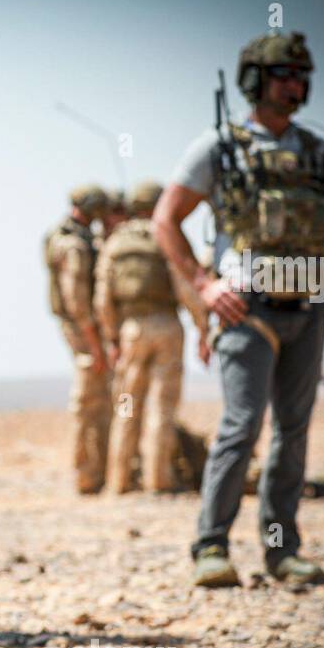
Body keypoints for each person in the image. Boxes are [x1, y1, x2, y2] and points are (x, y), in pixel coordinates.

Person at [153, 31, 324, 588]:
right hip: (246, 310)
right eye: (282, 73)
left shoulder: (318, 152)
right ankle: (211, 547)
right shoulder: (218, 147)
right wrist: (203, 284)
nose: (293, 84)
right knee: (242, 426)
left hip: (308, 308)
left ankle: (281, 550)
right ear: (255, 81)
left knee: (293, 431)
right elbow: (164, 219)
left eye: (300, 74)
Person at [95, 180, 209, 493]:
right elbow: (185, 288)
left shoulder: (115, 243)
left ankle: (118, 482)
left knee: (126, 406)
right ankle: (158, 481)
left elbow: (102, 298)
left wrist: (112, 338)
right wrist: (203, 328)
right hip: (166, 326)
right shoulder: (164, 236)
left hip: (130, 329)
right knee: (162, 405)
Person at [44, 184, 111, 494]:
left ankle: (93, 472)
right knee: (90, 401)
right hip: (82, 330)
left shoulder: (61, 235)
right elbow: (76, 300)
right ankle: (87, 475)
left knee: (96, 400)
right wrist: (95, 344)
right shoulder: (74, 245)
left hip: (77, 327)